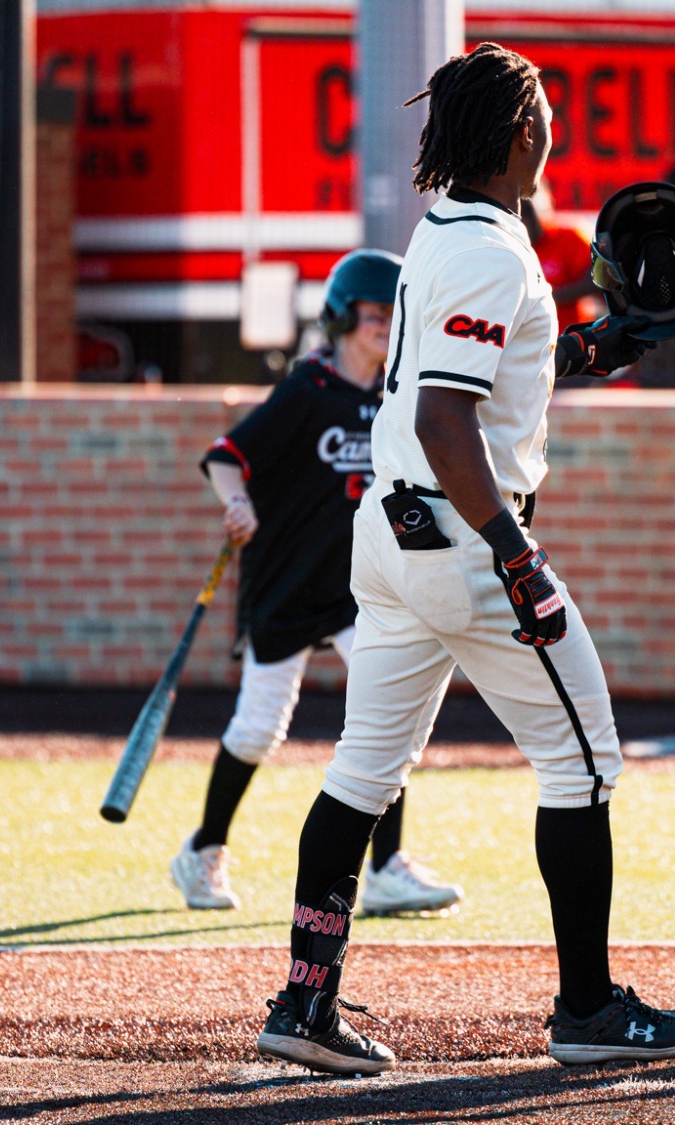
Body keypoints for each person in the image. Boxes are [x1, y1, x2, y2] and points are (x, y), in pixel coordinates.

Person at [254, 42, 675, 1075]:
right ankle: (588, 1010)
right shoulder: (493, 251)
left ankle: (303, 1003)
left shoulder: (445, 229)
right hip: (463, 537)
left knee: (362, 771)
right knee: (584, 763)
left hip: (392, 539)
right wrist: (517, 556)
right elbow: (442, 416)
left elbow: (476, 371)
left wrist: (592, 347)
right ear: (520, 132)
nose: (552, 128)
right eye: (543, 113)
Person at [171, 249, 465, 919]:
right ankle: (203, 848)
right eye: (373, 313)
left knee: (392, 712)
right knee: (258, 729)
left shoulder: (397, 396)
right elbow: (225, 457)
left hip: (358, 591)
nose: (384, 325)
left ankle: (385, 867)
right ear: (340, 317)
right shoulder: (307, 390)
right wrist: (236, 501)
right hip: (285, 587)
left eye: (394, 314)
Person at [520, 190, 599, 330]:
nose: (524, 220)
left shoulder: (568, 237)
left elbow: (596, 278)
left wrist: (548, 297)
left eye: (528, 212)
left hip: (572, 334)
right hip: (531, 337)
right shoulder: (510, 246)